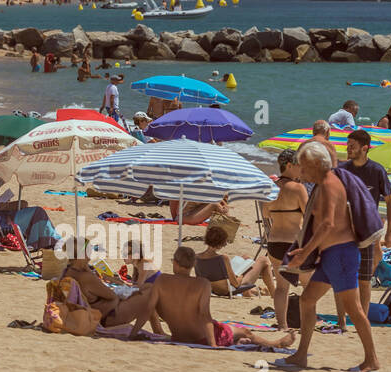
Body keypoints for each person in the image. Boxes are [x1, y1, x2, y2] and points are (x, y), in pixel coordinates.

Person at [281, 140, 380, 372]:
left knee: (353, 309)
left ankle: (372, 360)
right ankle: (301, 355)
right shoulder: (323, 183)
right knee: (306, 301)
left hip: (342, 255)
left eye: (304, 167)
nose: (302, 172)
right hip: (330, 256)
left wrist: (304, 251)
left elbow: (327, 224)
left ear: (317, 164)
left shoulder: (328, 185)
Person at [129, 246, 297, 349]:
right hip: (201, 337)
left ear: (175, 263)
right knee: (244, 331)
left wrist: (134, 333)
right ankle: (275, 344)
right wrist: (212, 345)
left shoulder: (162, 280)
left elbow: (148, 309)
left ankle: (243, 340)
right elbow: (204, 316)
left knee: (236, 333)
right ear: (193, 265)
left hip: (178, 336)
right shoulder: (201, 284)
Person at [339, 129, 391, 326]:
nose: (348, 149)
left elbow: (389, 201)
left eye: (352, 146)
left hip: (368, 232)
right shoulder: (343, 169)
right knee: (342, 278)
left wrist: (390, 230)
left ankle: (360, 319)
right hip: (345, 231)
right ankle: (341, 320)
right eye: (347, 145)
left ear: (365, 148)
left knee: (364, 280)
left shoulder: (377, 171)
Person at [262, 148, 309, 327]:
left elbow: (266, 212)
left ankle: (282, 324)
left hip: (274, 242)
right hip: (293, 243)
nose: (301, 169)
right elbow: (309, 214)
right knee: (308, 285)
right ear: (289, 165)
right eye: (298, 165)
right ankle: (306, 321)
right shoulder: (298, 189)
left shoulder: (271, 187)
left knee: (281, 288)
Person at [195, 224, 272, 297]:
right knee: (263, 260)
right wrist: (241, 275)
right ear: (221, 243)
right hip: (227, 289)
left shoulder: (196, 257)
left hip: (213, 289)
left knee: (245, 257)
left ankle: (249, 292)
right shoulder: (223, 258)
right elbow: (236, 284)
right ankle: (274, 293)